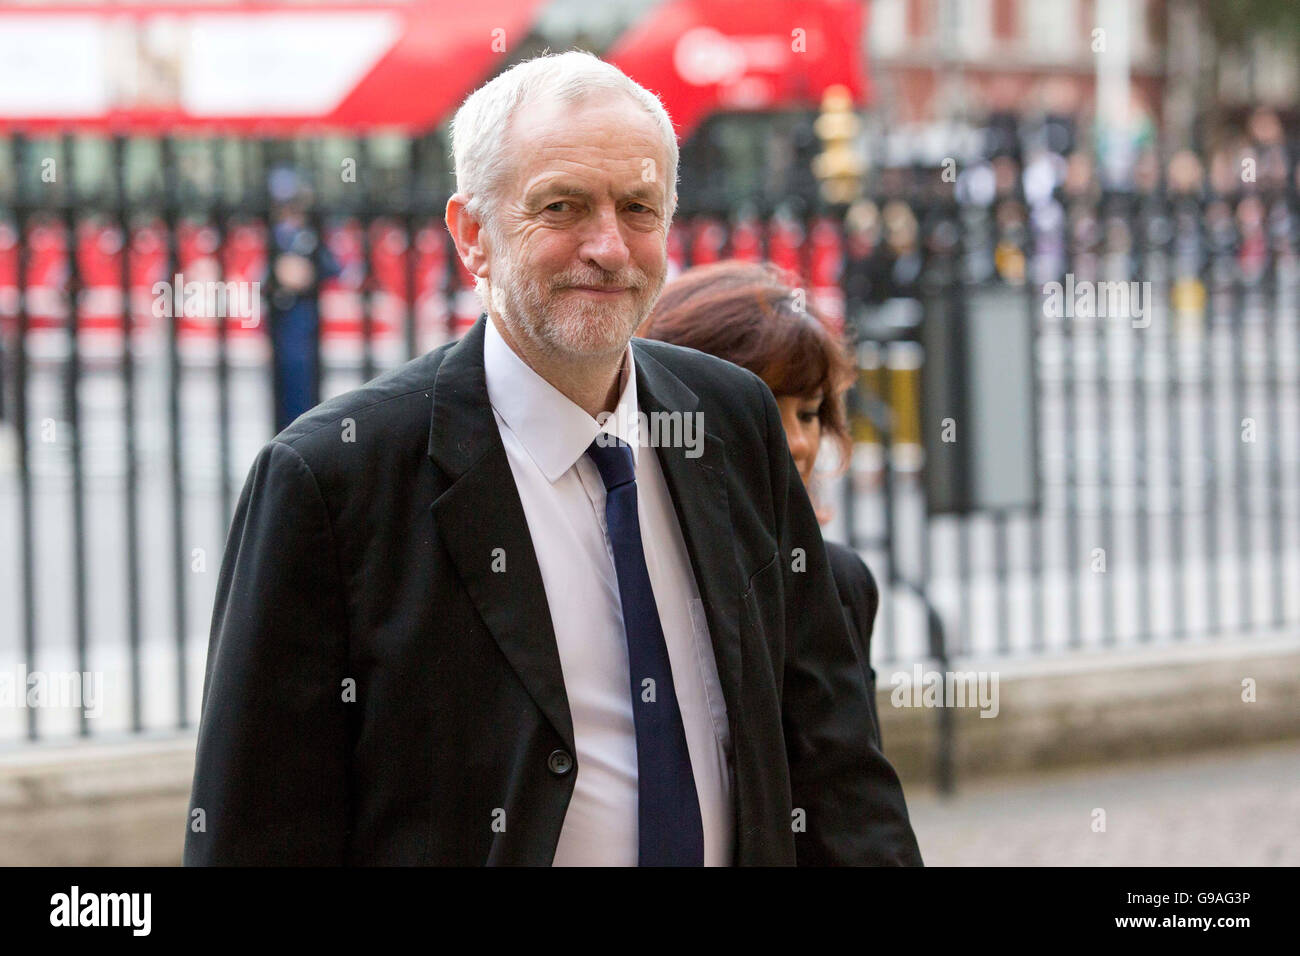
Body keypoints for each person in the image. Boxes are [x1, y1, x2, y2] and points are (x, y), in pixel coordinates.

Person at [184, 51, 921, 866]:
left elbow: (835, 761)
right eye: (562, 207)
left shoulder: (731, 418)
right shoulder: (332, 481)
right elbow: (257, 831)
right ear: (473, 235)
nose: (607, 247)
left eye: (639, 208)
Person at [638, 260, 886, 749]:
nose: (797, 441)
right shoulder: (623, 570)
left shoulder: (839, 584)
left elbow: (849, 793)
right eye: (765, 407)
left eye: (811, 413)